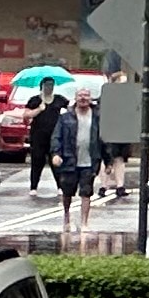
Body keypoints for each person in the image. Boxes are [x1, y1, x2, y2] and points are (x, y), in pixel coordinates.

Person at [52, 84, 106, 242]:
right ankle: (67, 216)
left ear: (91, 99)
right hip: (69, 160)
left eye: (86, 96)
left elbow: (103, 140)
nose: (83, 98)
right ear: (75, 98)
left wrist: (107, 161)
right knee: (67, 191)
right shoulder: (65, 117)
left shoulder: (98, 117)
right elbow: (56, 136)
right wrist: (56, 153)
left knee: (86, 191)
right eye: (80, 95)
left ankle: (84, 222)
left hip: (89, 160)